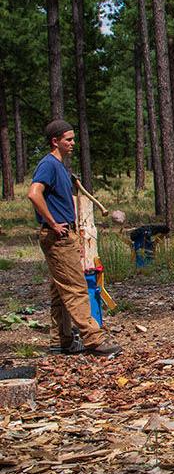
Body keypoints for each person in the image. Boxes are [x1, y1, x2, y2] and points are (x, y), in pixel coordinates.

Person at [26, 119, 121, 357]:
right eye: (68, 139)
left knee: (59, 290)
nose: (73, 143)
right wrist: (53, 223)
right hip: (57, 235)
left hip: (64, 233)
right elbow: (33, 193)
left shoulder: (59, 166)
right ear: (55, 141)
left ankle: (62, 339)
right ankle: (93, 339)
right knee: (76, 288)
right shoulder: (48, 164)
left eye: (73, 138)